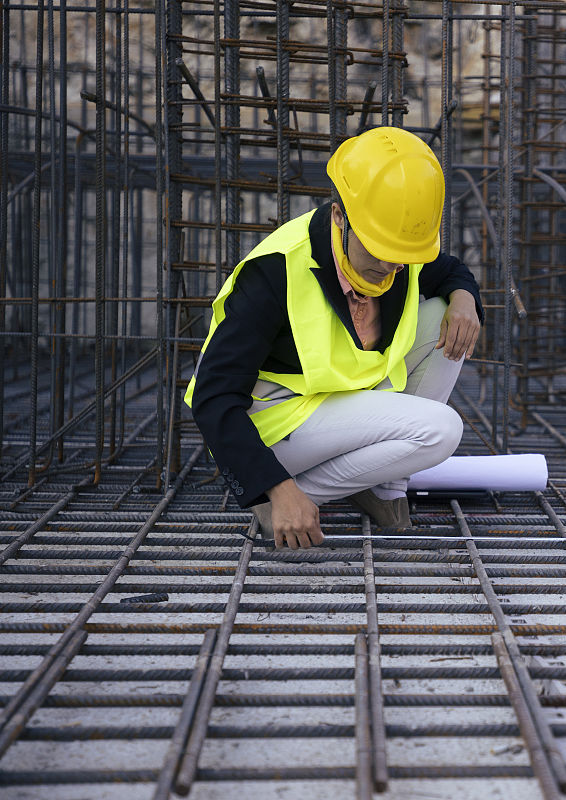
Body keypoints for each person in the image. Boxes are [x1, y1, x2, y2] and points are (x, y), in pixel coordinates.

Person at [185, 126, 482, 549]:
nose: (391, 265)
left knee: (441, 314)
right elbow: (212, 397)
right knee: (441, 431)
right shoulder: (274, 273)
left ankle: (383, 487)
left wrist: (465, 299)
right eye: (378, 249)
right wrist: (276, 486)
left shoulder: (399, 251)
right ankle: (281, 500)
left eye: (402, 255)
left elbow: (447, 269)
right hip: (276, 426)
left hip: (337, 401)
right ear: (340, 217)